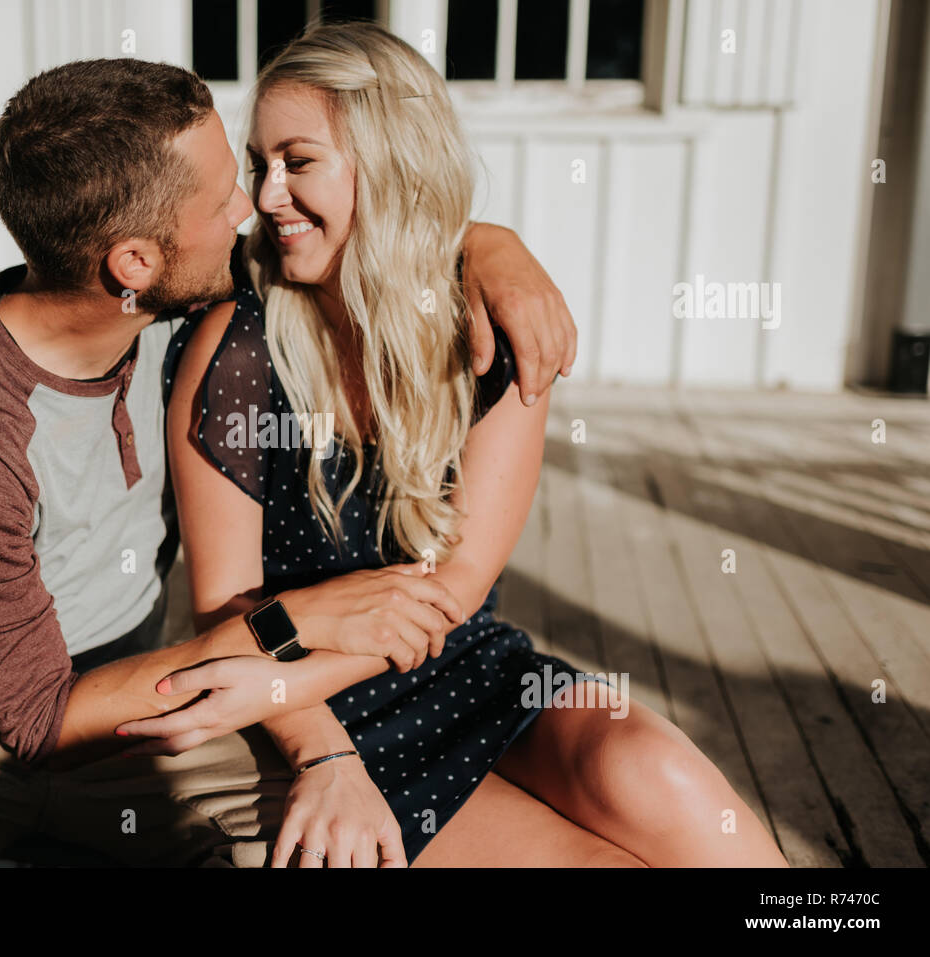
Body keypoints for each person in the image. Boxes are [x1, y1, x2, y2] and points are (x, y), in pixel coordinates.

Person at [0, 54, 577, 867]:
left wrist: (491, 247)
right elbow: (36, 717)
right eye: (223, 198)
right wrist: (299, 619)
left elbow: (363, 228)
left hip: (148, 712)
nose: (252, 205)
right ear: (134, 263)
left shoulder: (178, 295)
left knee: (346, 832)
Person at [137, 22, 791, 867]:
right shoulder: (236, 346)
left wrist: (285, 675)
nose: (266, 196)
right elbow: (225, 611)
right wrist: (301, 716)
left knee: (663, 779)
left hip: (458, 660)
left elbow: (460, 583)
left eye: (297, 162)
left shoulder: (491, 331)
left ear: (392, 161)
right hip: (310, 715)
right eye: (261, 165)